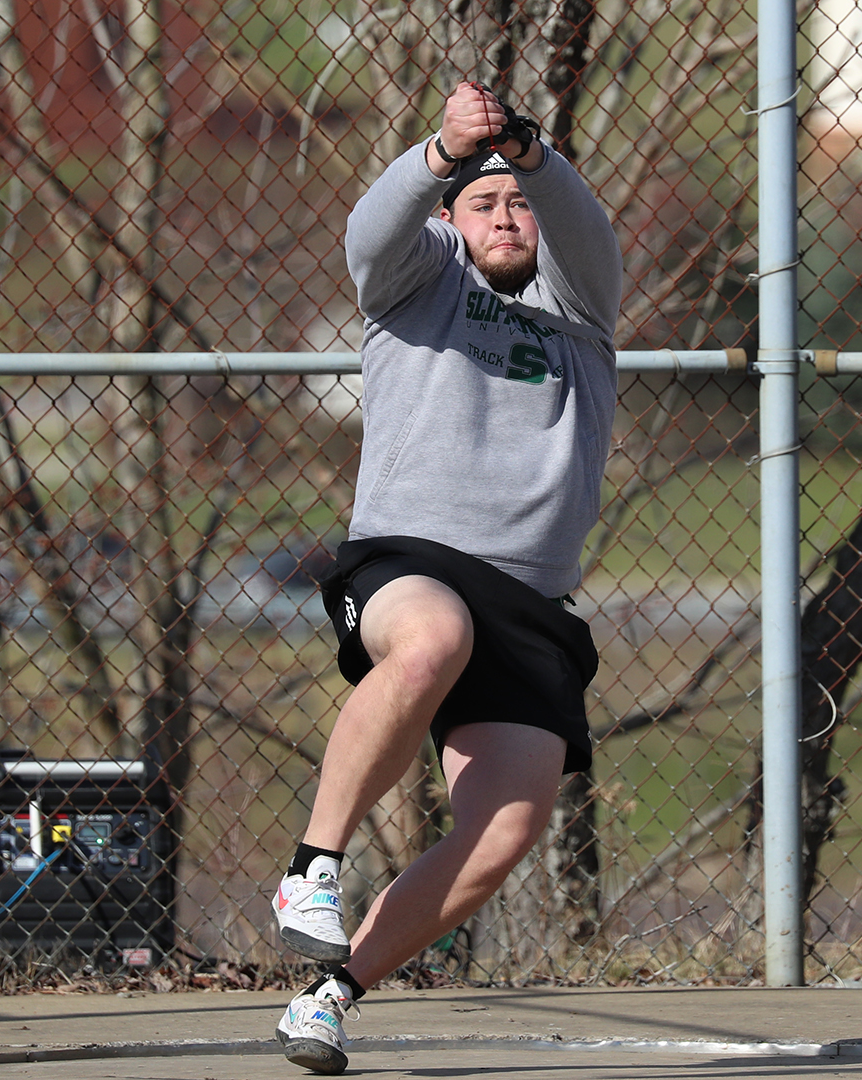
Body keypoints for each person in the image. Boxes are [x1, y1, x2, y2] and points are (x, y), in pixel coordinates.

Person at [269, 80, 622, 1073]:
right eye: (483, 202)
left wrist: (526, 152)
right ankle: (312, 869)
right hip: (409, 561)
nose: (505, 215)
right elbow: (367, 235)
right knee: (431, 641)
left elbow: (584, 225)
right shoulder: (416, 283)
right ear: (450, 222)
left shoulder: (580, 303)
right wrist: (441, 149)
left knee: (505, 832)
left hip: (530, 600)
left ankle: (332, 994)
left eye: (518, 203)